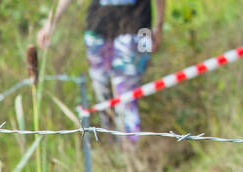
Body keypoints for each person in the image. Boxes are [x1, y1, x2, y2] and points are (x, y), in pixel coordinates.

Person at [39, 0, 167, 145]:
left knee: (126, 98)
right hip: (98, 29)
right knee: (103, 98)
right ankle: (112, 149)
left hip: (137, 30)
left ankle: (130, 150)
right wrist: (50, 23)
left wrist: (159, 26)